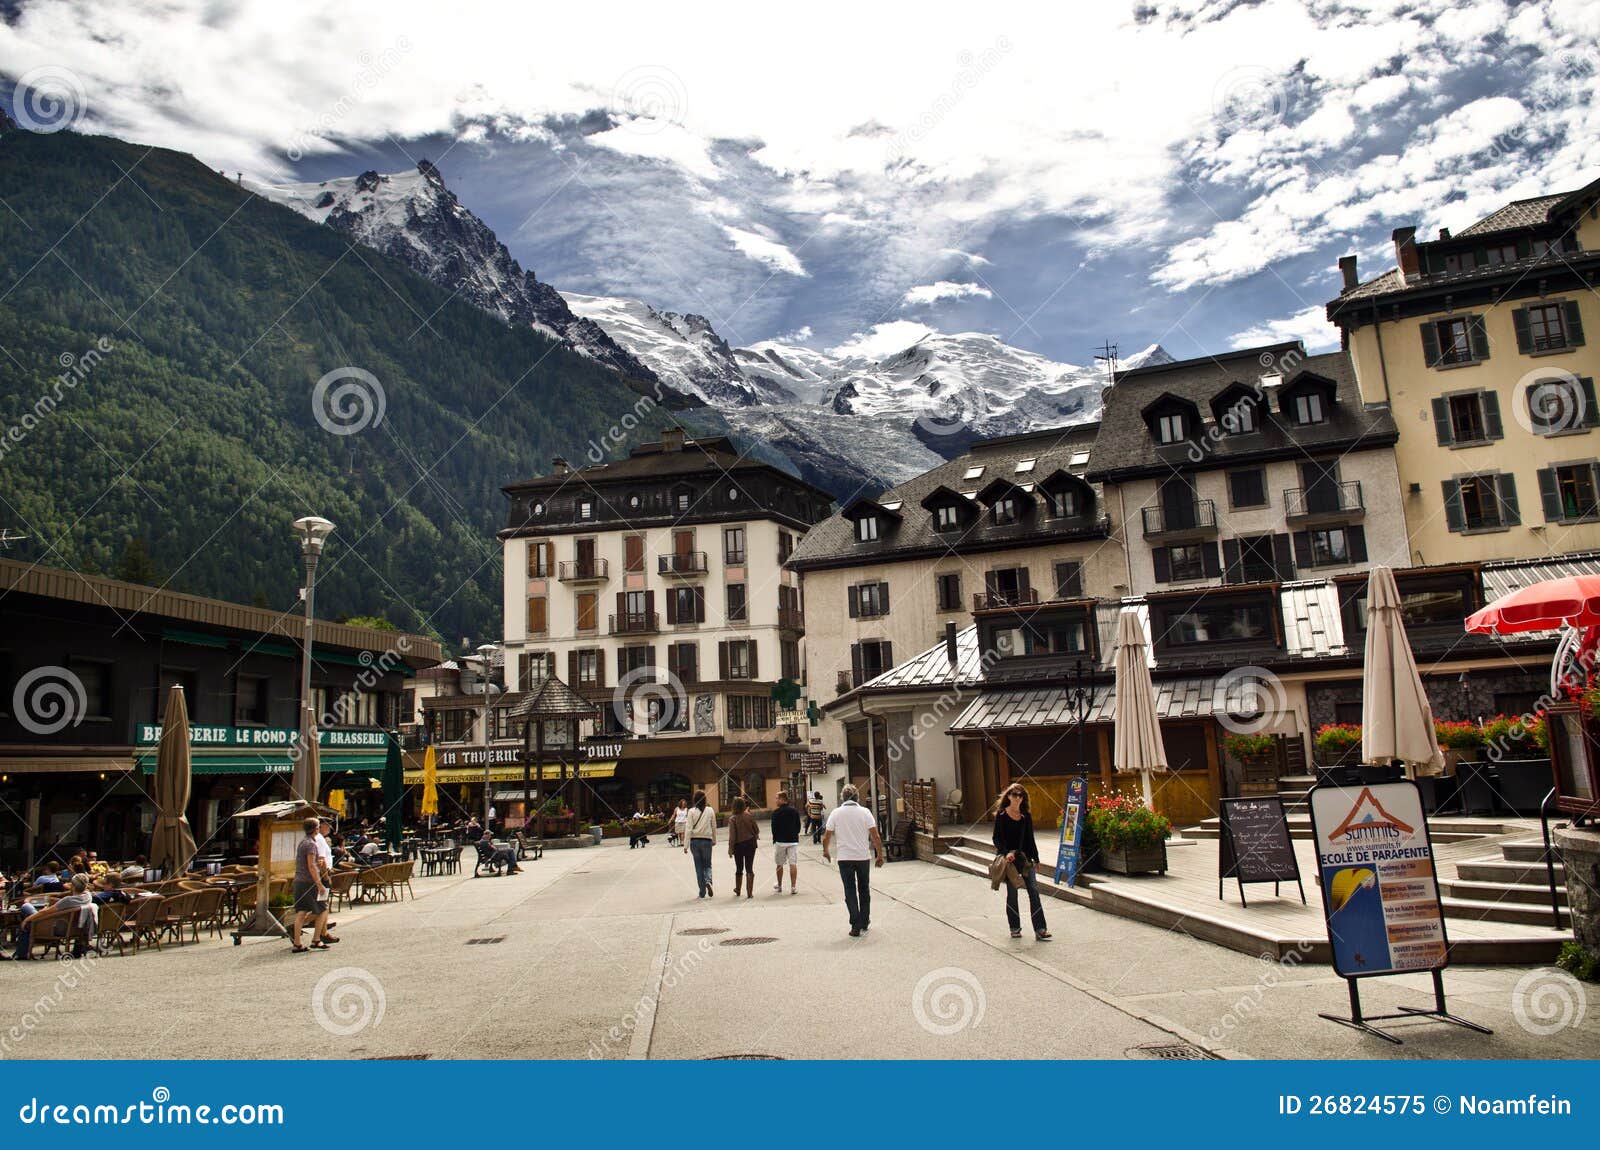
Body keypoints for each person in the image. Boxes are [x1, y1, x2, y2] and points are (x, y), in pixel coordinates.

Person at [992, 784, 1052, 941]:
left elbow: (1030, 839)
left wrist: (1036, 858)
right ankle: (1014, 928)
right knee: (1012, 893)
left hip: (1024, 858)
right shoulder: (1002, 815)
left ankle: (1040, 929)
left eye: (1021, 795)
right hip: (1009, 860)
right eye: (1015, 794)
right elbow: (996, 838)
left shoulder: (1025, 816)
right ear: (1009, 796)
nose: (1018, 798)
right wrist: (1006, 853)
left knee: (1033, 891)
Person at [822, 785, 883, 937]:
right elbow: (875, 835)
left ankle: (855, 924)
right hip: (862, 857)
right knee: (864, 889)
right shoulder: (865, 812)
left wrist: (826, 851)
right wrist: (880, 855)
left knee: (849, 890)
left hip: (844, 858)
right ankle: (865, 920)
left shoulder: (836, 813)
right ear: (857, 797)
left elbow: (827, 836)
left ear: (842, 797)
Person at [13, 873, 96, 960]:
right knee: (30, 921)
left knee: (26, 908)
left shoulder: (67, 900)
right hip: (74, 928)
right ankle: (22, 951)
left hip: (55, 927)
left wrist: (27, 919)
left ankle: (22, 953)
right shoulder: (87, 896)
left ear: (73, 886)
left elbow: (45, 912)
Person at [290, 818, 325, 954]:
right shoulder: (310, 844)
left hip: (299, 880)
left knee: (302, 911)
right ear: (315, 829)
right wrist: (319, 883)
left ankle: (298, 943)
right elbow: (311, 865)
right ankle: (315, 939)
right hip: (308, 882)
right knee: (321, 908)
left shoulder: (302, 842)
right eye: (318, 827)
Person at [311, 818, 339, 947]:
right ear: (320, 826)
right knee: (323, 906)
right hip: (323, 875)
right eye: (327, 825)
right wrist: (326, 877)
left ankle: (324, 932)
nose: (329, 828)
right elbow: (321, 860)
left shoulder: (319, 838)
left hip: (323, 873)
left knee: (323, 905)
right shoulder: (320, 840)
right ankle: (297, 925)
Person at [684, 791, 716, 898]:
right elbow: (714, 826)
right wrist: (714, 839)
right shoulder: (710, 810)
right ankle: (708, 881)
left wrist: (685, 845)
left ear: (694, 800)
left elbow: (688, 829)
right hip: (707, 841)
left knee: (698, 866)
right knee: (707, 864)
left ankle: (702, 892)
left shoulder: (691, 811)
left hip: (695, 842)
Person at [726, 797, 759, 899]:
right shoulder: (749, 815)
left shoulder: (733, 818)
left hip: (738, 845)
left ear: (734, 806)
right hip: (750, 844)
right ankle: (749, 893)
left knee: (739, 868)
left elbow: (732, 836)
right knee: (749, 868)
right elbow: (756, 830)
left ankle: (738, 890)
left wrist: (730, 849)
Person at [770, 790, 801, 894]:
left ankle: (779, 886)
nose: (775, 800)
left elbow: (773, 829)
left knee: (779, 864)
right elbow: (798, 826)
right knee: (793, 863)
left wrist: (775, 839)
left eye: (777, 798)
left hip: (780, 841)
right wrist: (795, 835)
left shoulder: (776, 813)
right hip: (792, 841)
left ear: (782, 799)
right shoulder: (794, 811)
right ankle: (793, 887)